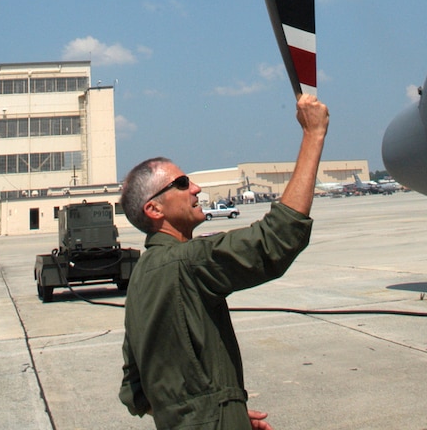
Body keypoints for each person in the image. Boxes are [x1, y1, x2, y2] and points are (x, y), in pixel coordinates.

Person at [119, 93, 329, 429]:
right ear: (154, 209)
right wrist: (313, 134)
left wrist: (222, 411)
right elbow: (277, 238)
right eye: (182, 184)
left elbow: (135, 392)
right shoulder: (185, 263)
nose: (196, 188)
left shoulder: (140, 279)